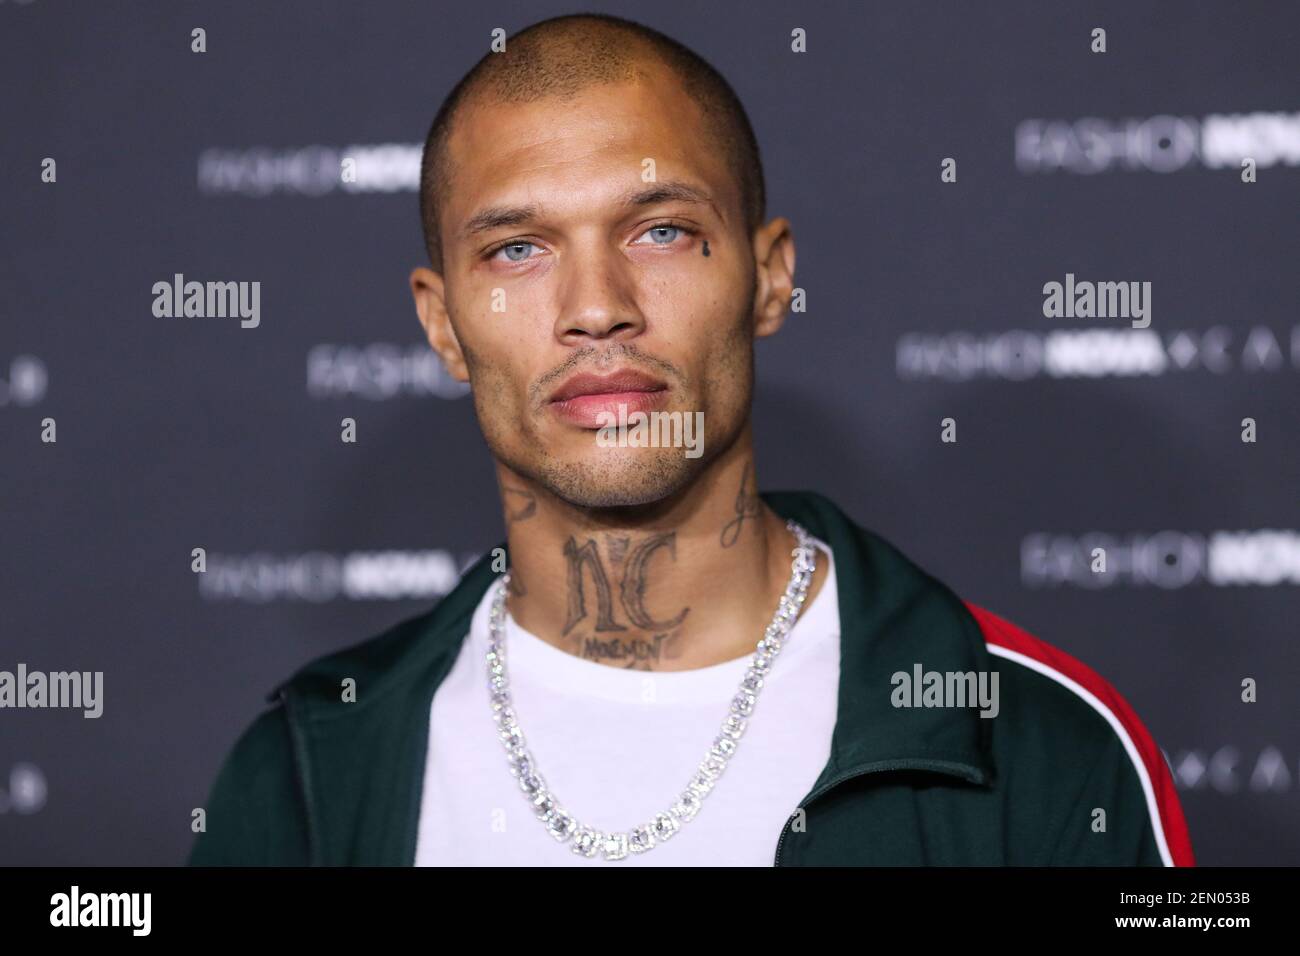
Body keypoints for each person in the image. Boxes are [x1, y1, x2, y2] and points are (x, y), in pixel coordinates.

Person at [189, 12, 1194, 866]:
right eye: (519, 250)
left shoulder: (1035, 742)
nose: (595, 308)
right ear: (444, 322)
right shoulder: (307, 769)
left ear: (768, 277)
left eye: (659, 230)